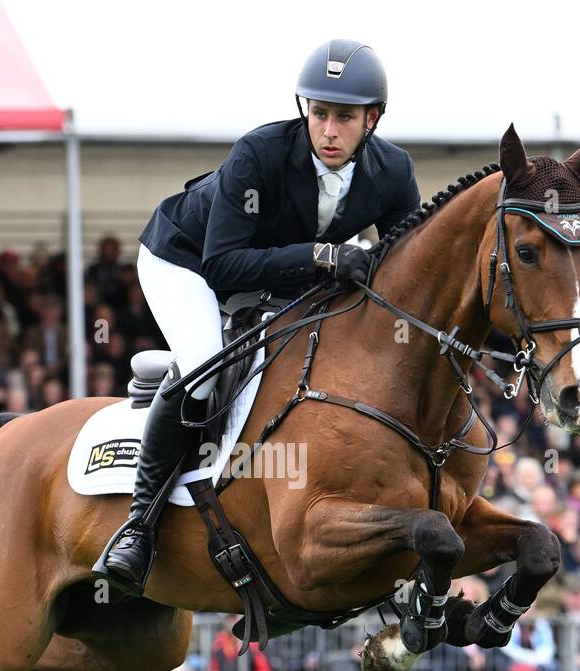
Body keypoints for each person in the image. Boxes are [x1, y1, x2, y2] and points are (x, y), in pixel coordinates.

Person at [94, 38, 422, 596]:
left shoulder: (392, 172)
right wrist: (321, 257)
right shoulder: (259, 154)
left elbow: (406, 264)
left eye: (345, 117)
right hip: (187, 260)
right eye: (319, 114)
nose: (329, 131)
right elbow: (224, 266)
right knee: (202, 364)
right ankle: (137, 526)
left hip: (276, 275)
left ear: (373, 119)